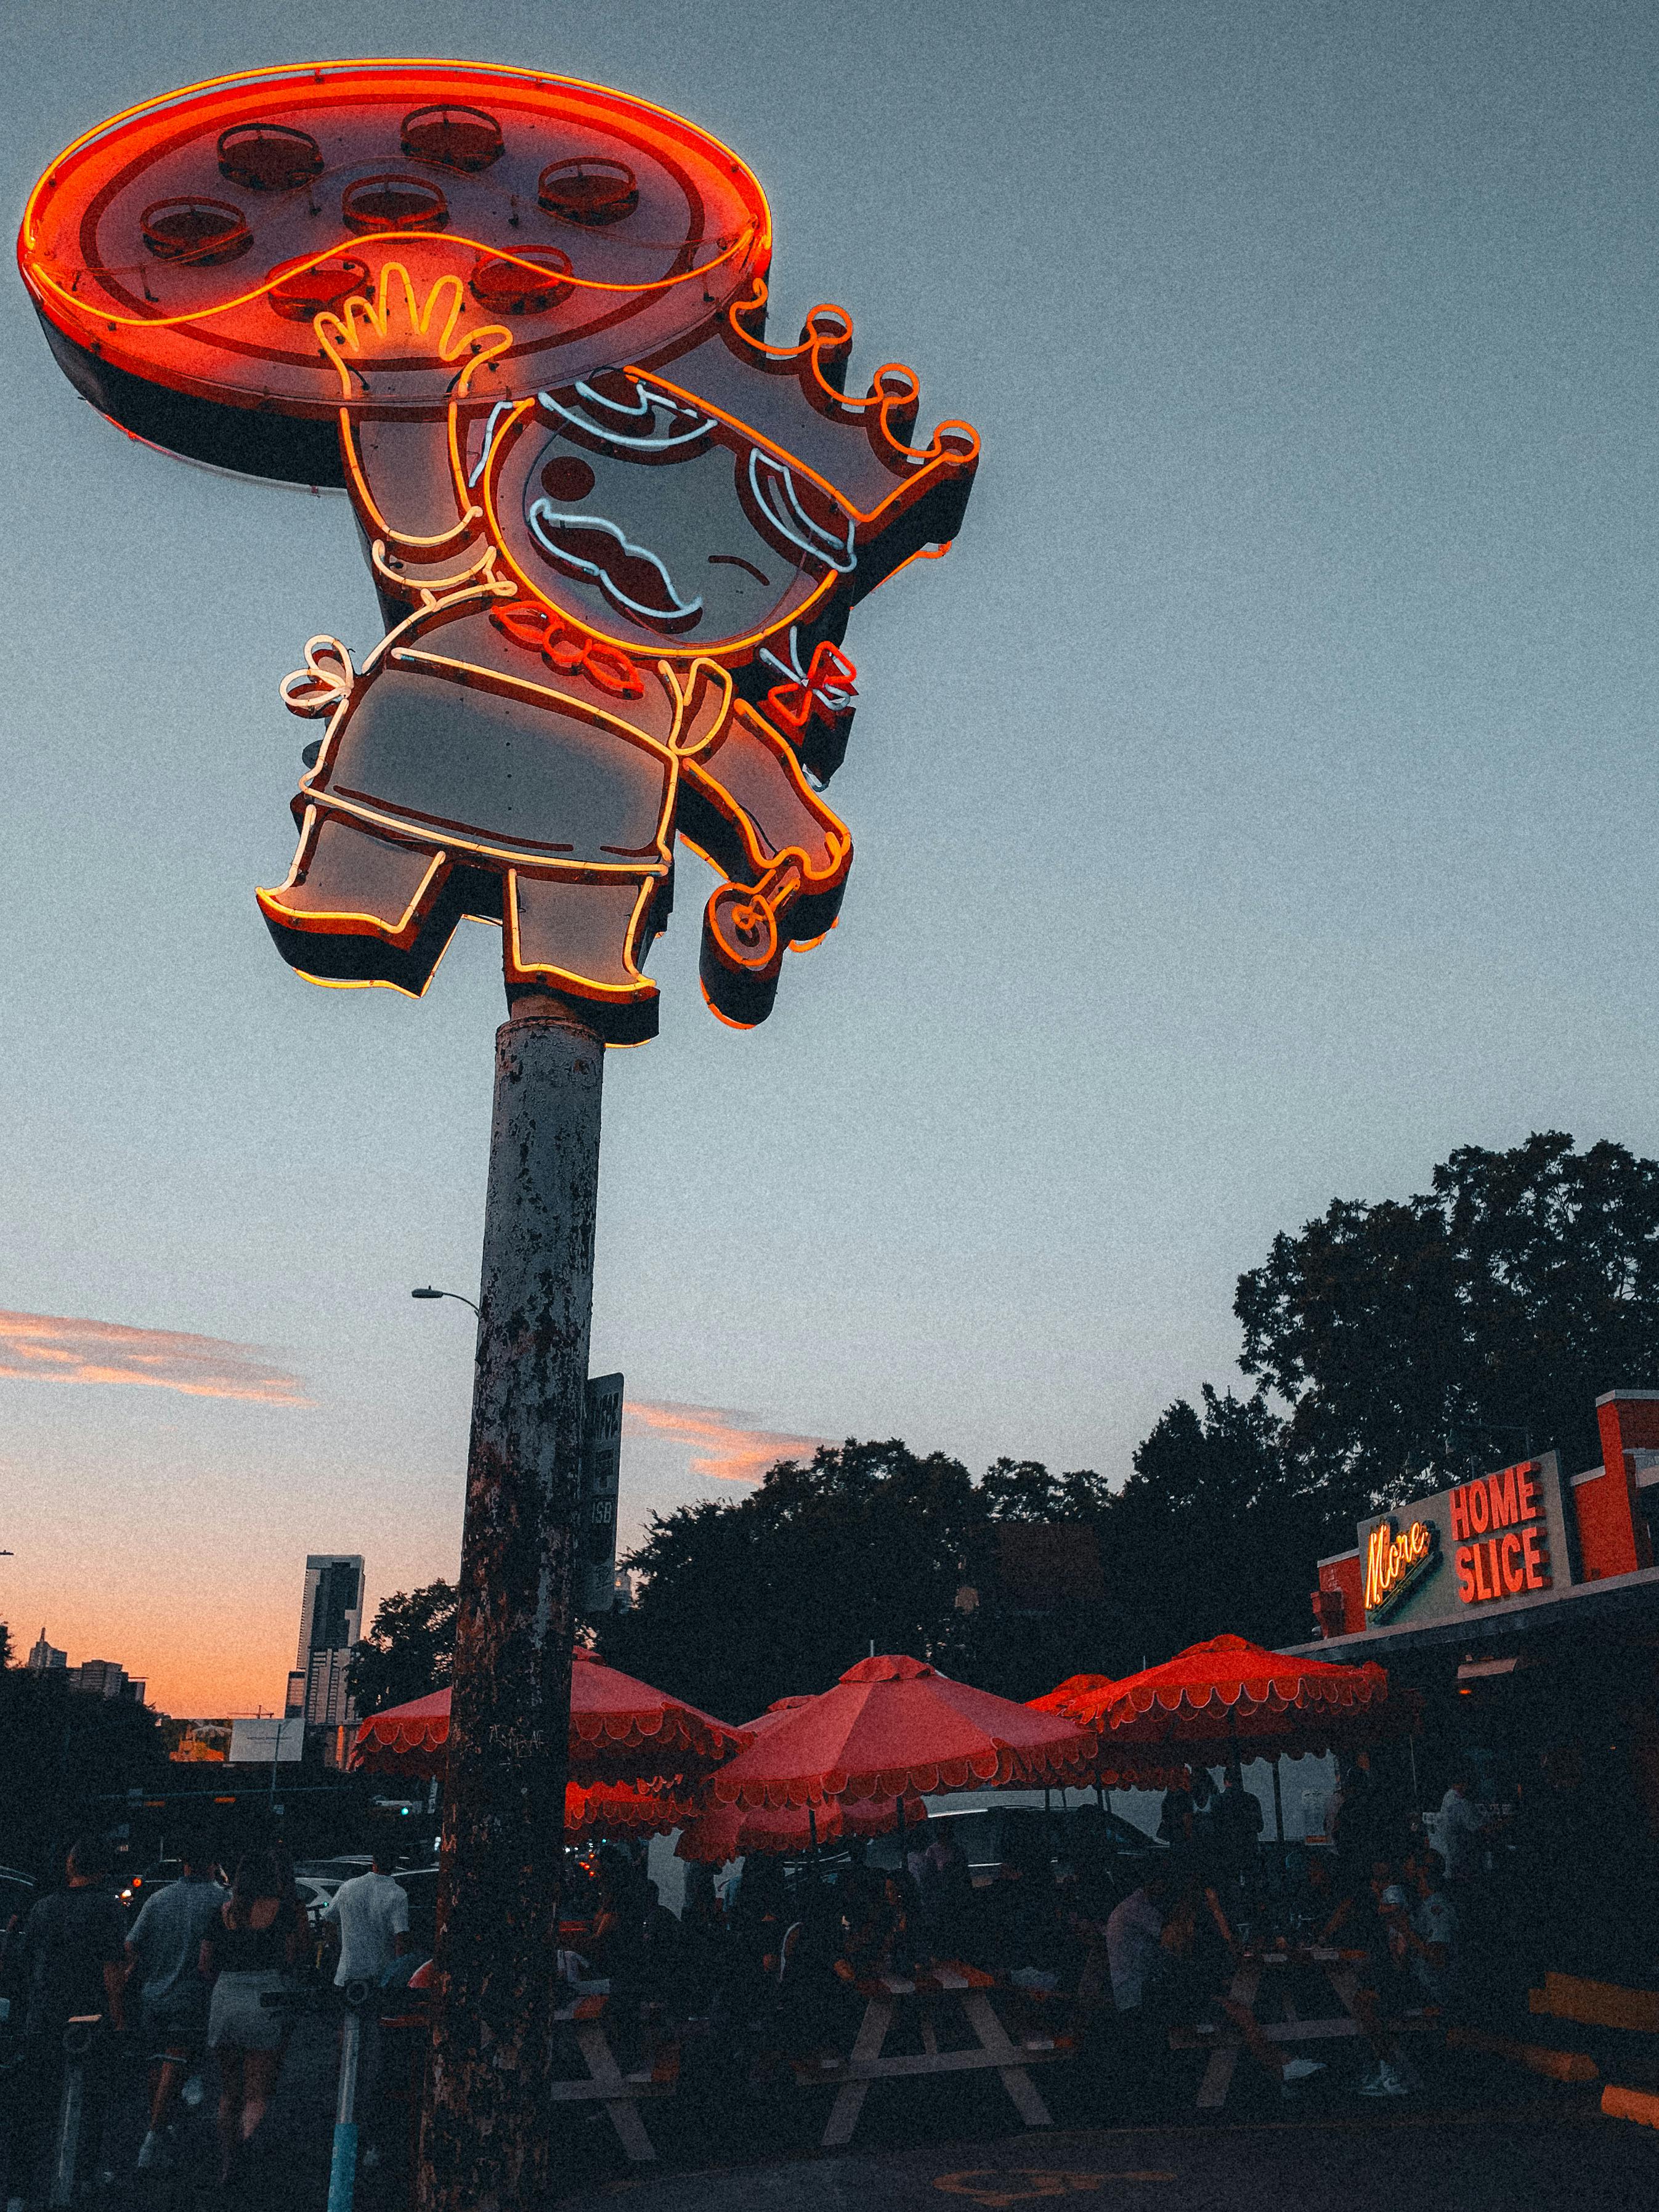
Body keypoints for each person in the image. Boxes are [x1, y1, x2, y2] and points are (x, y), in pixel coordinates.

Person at [9, 1837, 128, 2204]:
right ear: (103, 1870)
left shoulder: (43, 1907)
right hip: (88, 2020)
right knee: (89, 2101)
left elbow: (25, 1964)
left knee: (33, 2106)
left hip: (43, 2016)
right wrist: (120, 2021)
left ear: (71, 1866)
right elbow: (112, 1971)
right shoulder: (108, 1910)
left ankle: (20, 2190)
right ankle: (83, 2177)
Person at [201, 1848, 306, 2182]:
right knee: (257, 2092)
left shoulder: (222, 1913)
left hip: (226, 1998)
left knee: (229, 2091)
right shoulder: (281, 1911)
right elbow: (292, 1957)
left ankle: (227, 2163)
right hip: (265, 1997)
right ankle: (249, 2151)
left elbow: (205, 1965)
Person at [124, 1837, 227, 2172]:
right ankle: (154, 2135)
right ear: (212, 1864)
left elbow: (132, 1944)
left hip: (154, 1996)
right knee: (176, 2062)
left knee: (158, 2065)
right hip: (194, 1998)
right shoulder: (220, 1901)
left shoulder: (158, 1899)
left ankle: (163, 2123)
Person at [319, 1847, 410, 1990]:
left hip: (346, 1974)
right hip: (379, 1977)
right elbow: (401, 1938)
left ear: (374, 1863)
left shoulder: (348, 1887)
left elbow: (329, 1920)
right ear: (395, 1865)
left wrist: (335, 1949)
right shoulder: (398, 1894)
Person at [1106, 1872, 1169, 2013]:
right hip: (1134, 1986)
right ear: (1151, 1884)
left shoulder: (1132, 1906)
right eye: (1163, 1885)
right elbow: (1170, 1937)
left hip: (1131, 1984)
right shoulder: (1137, 1908)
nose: (1166, 1890)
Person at [1434, 1772, 1490, 1886]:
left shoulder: (1447, 1798)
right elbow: (1483, 1829)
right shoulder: (1461, 1804)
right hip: (1463, 1865)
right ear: (1464, 1784)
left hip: (1450, 1862)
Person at [1214, 1775, 1264, 1886]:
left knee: (1230, 1885)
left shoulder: (1218, 1801)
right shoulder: (1252, 1800)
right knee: (1252, 1885)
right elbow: (1260, 1827)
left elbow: (1216, 1828)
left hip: (1227, 1851)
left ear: (1225, 1782)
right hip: (1249, 1849)